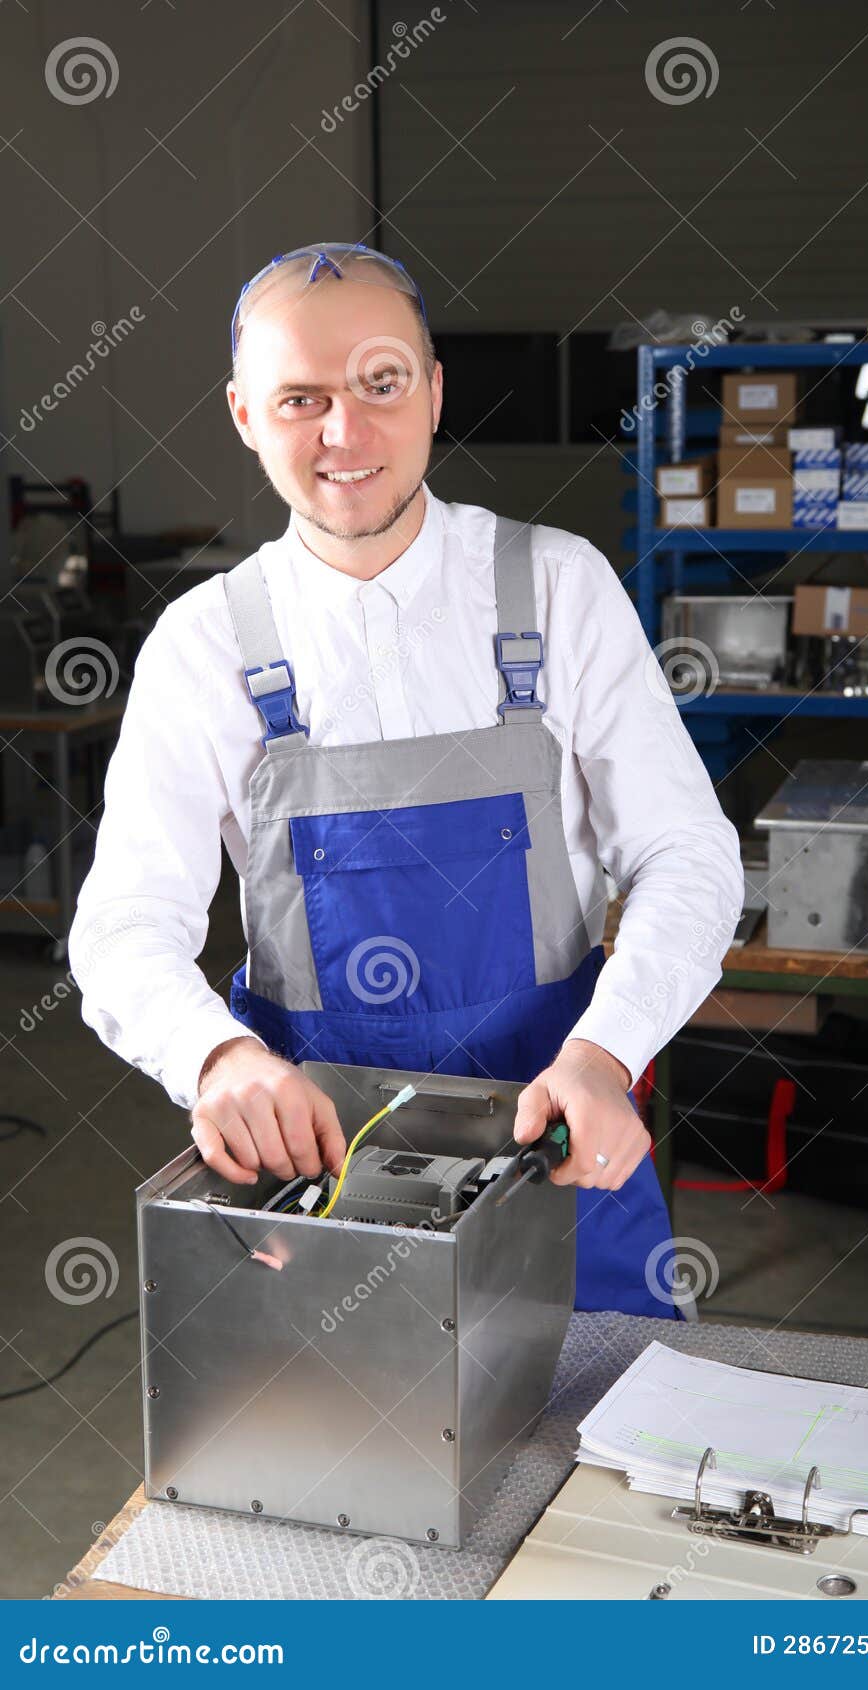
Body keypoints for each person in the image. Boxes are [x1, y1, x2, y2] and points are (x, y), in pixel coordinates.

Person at [68, 242, 744, 1318]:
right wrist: (218, 1059)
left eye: (381, 384)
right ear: (245, 415)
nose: (346, 432)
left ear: (433, 390)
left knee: (612, 1459)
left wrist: (608, 1055)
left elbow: (688, 856)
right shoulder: (204, 644)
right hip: (320, 1178)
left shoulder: (558, 588)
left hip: (559, 1137)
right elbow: (121, 926)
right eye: (301, 398)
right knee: (332, 1465)